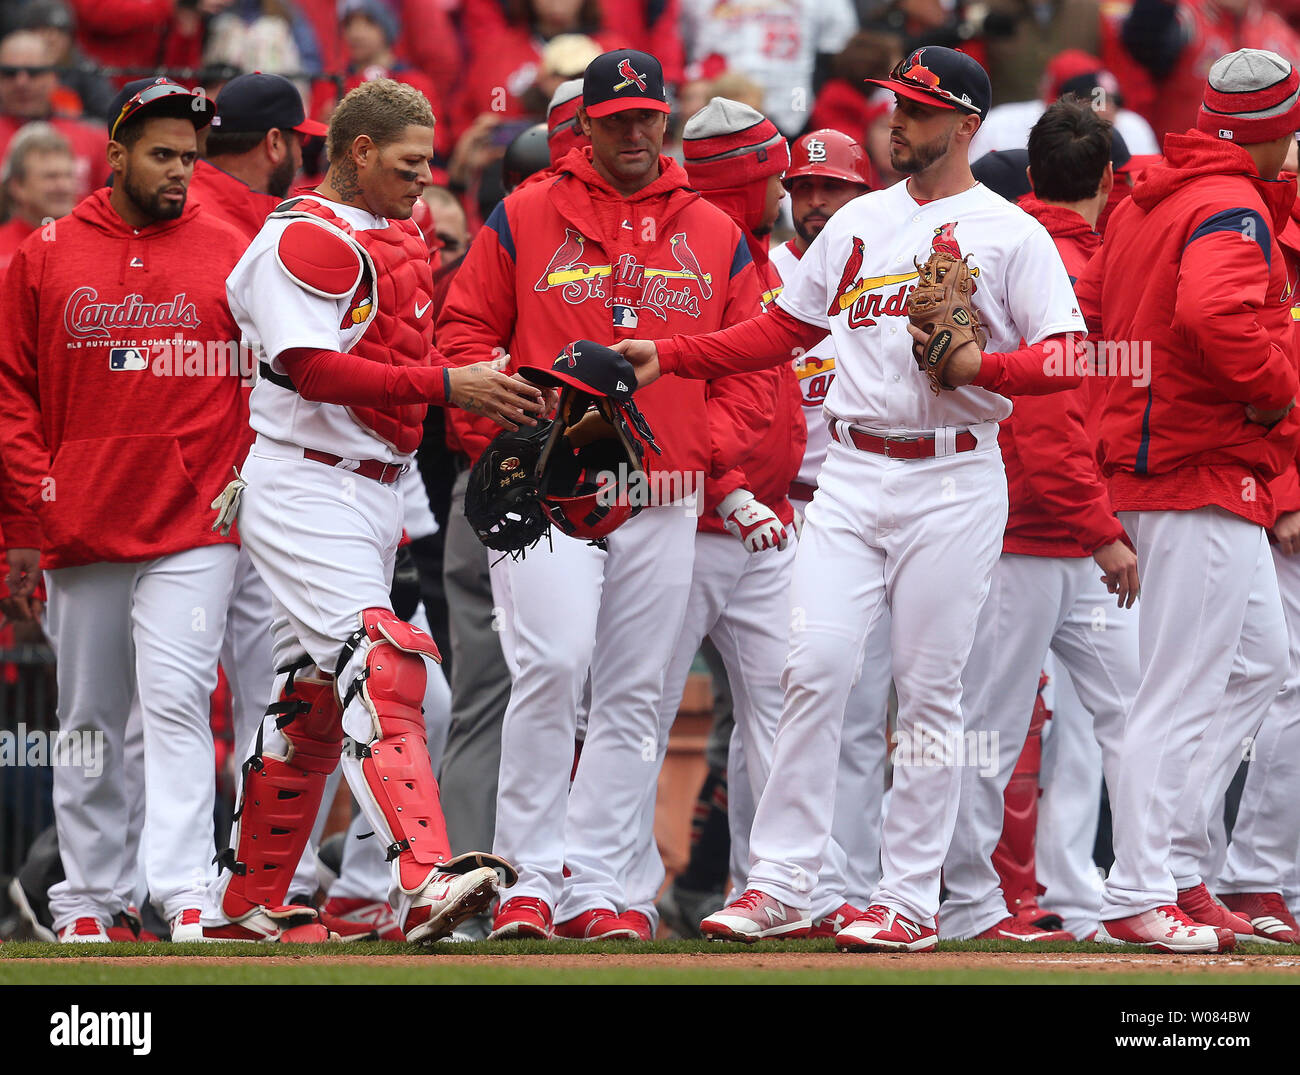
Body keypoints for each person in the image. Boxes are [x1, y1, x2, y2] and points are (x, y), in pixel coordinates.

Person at [614, 45, 1090, 951]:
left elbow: (1067, 356)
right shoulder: (860, 221)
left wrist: (981, 366)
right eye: (894, 102)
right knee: (814, 668)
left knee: (928, 692)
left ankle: (908, 896)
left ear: (965, 124)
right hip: (853, 475)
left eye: (915, 107)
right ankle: (785, 879)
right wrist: (670, 354)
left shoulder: (1009, 231)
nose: (896, 119)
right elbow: (780, 331)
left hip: (954, 474)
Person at [201, 77, 546, 944]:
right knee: (383, 662)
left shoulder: (397, 230)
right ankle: (423, 878)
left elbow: (404, 351)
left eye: (427, 160)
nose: (424, 176)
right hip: (303, 476)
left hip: (376, 481)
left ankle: (247, 906)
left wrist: (488, 397)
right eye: (406, 161)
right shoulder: (302, 239)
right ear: (357, 152)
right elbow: (310, 369)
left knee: (312, 693)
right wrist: (445, 385)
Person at [437, 48, 765, 941]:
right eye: (615, 119)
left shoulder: (712, 227)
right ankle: (530, 876)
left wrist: (701, 450)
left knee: (632, 689)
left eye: (647, 117)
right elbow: (462, 328)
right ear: (583, 123)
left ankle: (593, 883)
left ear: (665, 121)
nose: (633, 132)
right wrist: (503, 426)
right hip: (548, 487)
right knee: (549, 668)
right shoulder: (526, 212)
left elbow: (754, 359)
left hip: (658, 492)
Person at [0, 79, 249, 942]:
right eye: (162, 155)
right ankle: (88, 897)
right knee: (86, 721)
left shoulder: (231, 247)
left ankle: (184, 887)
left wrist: (245, 476)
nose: (181, 171)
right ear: (115, 156)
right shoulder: (45, 250)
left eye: (190, 155)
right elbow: (11, 391)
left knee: (180, 700)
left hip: (194, 520)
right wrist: (38, 503)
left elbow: (272, 377)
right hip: (83, 521)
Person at [1073, 48, 1299, 952]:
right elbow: (1214, 318)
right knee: (1178, 686)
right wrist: (1278, 387)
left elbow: (1097, 311)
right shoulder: (1231, 203)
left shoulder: (1149, 193)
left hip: (1175, 459)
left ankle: (1174, 864)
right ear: (1272, 127)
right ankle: (1139, 887)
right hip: (1193, 463)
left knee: (1258, 666)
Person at [938, 95, 1139, 945]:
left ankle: (1125, 889)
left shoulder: (1034, 243)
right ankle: (966, 901)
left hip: (1044, 524)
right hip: (1032, 529)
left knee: (1115, 712)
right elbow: (1051, 418)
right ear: (1110, 177)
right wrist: (1104, 529)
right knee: (998, 722)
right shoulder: (1049, 256)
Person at [772, 127, 889, 915]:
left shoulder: (887, 269)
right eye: (804, 189)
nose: (816, 204)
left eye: (832, 190)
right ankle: (779, 878)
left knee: (863, 709)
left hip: (861, 497)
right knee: (798, 699)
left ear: (861, 194)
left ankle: (849, 886)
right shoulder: (772, 277)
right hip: (783, 509)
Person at [193, 71, 328, 241]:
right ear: (274, 144)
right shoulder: (200, 224)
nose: (300, 161)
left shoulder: (183, 203)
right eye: (300, 144)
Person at [0, 28, 107, 198]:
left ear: (54, 76)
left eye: (33, 73)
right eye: (9, 73)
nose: (21, 82)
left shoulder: (95, 139)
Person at [0, 121, 76, 269]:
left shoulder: (93, 243)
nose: (63, 186)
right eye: (51, 177)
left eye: (68, 176)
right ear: (18, 186)